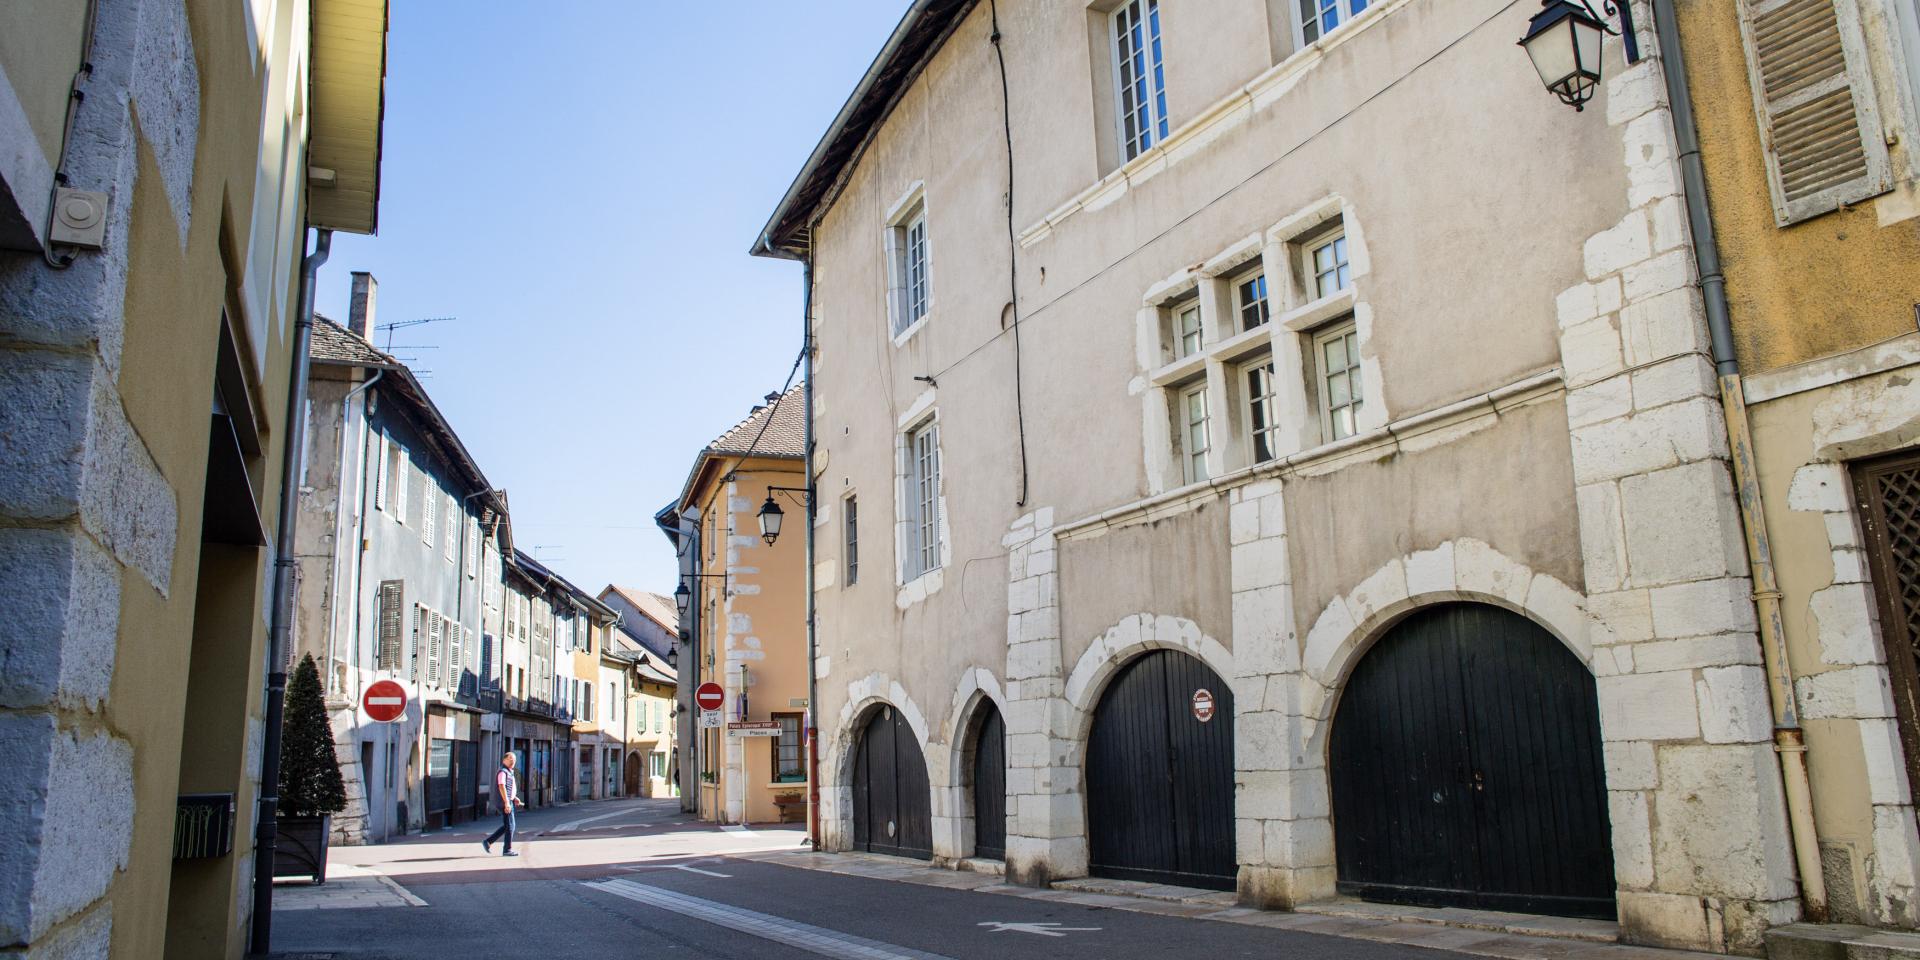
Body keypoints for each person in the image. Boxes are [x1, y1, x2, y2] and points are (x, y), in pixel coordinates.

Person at [482, 752, 524, 857]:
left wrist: (514, 798)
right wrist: (506, 802)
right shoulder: (503, 772)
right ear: (504, 760)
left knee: (508, 826)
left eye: (514, 759)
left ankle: (488, 842)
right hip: (505, 802)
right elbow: (502, 786)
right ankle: (507, 850)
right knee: (511, 826)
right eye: (510, 759)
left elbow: (509, 788)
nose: (512, 761)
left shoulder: (509, 772)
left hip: (508, 801)